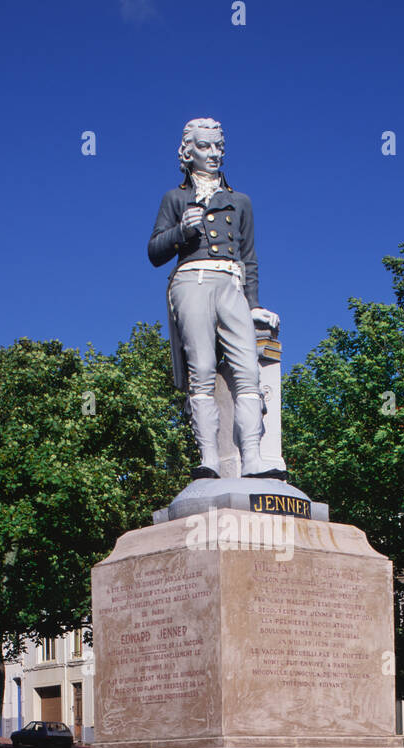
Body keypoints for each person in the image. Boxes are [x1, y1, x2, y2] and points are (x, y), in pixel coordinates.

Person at [148, 117, 284, 480]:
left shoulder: (240, 201)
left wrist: (253, 304)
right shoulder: (175, 198)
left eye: (218, 147)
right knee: (203, 370)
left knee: (248, 371)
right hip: (192, 280)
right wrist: (181, 231)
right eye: (204, 147)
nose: (213, 154)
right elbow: (154, 251)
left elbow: (249, 256)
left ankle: (253, 458)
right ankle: (208, 457)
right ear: (188, 151)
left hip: (231, 282)